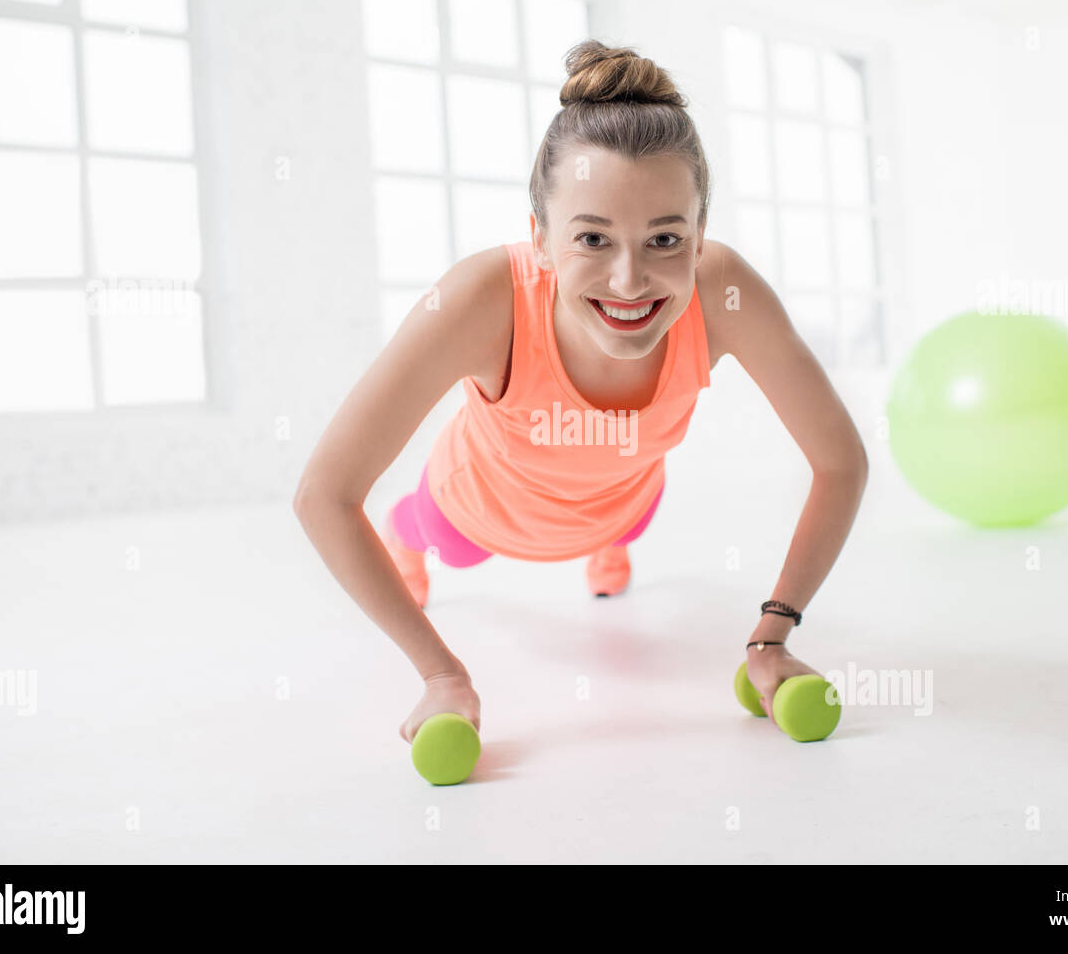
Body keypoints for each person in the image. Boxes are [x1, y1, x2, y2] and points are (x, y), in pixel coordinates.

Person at [294, 40, 869, 747]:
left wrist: (772, 631)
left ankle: (606, 547)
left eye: (663, 239)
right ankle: (411, 540)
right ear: (539, 239)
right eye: (592, 238)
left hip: (626, 496)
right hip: (480, 509)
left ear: (698, 240)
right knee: (436, 536)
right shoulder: (482, 298)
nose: (629, 282)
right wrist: (439, 672)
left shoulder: (724, 291)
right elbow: (323, 493)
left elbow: (840, 462)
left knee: (627, 520)